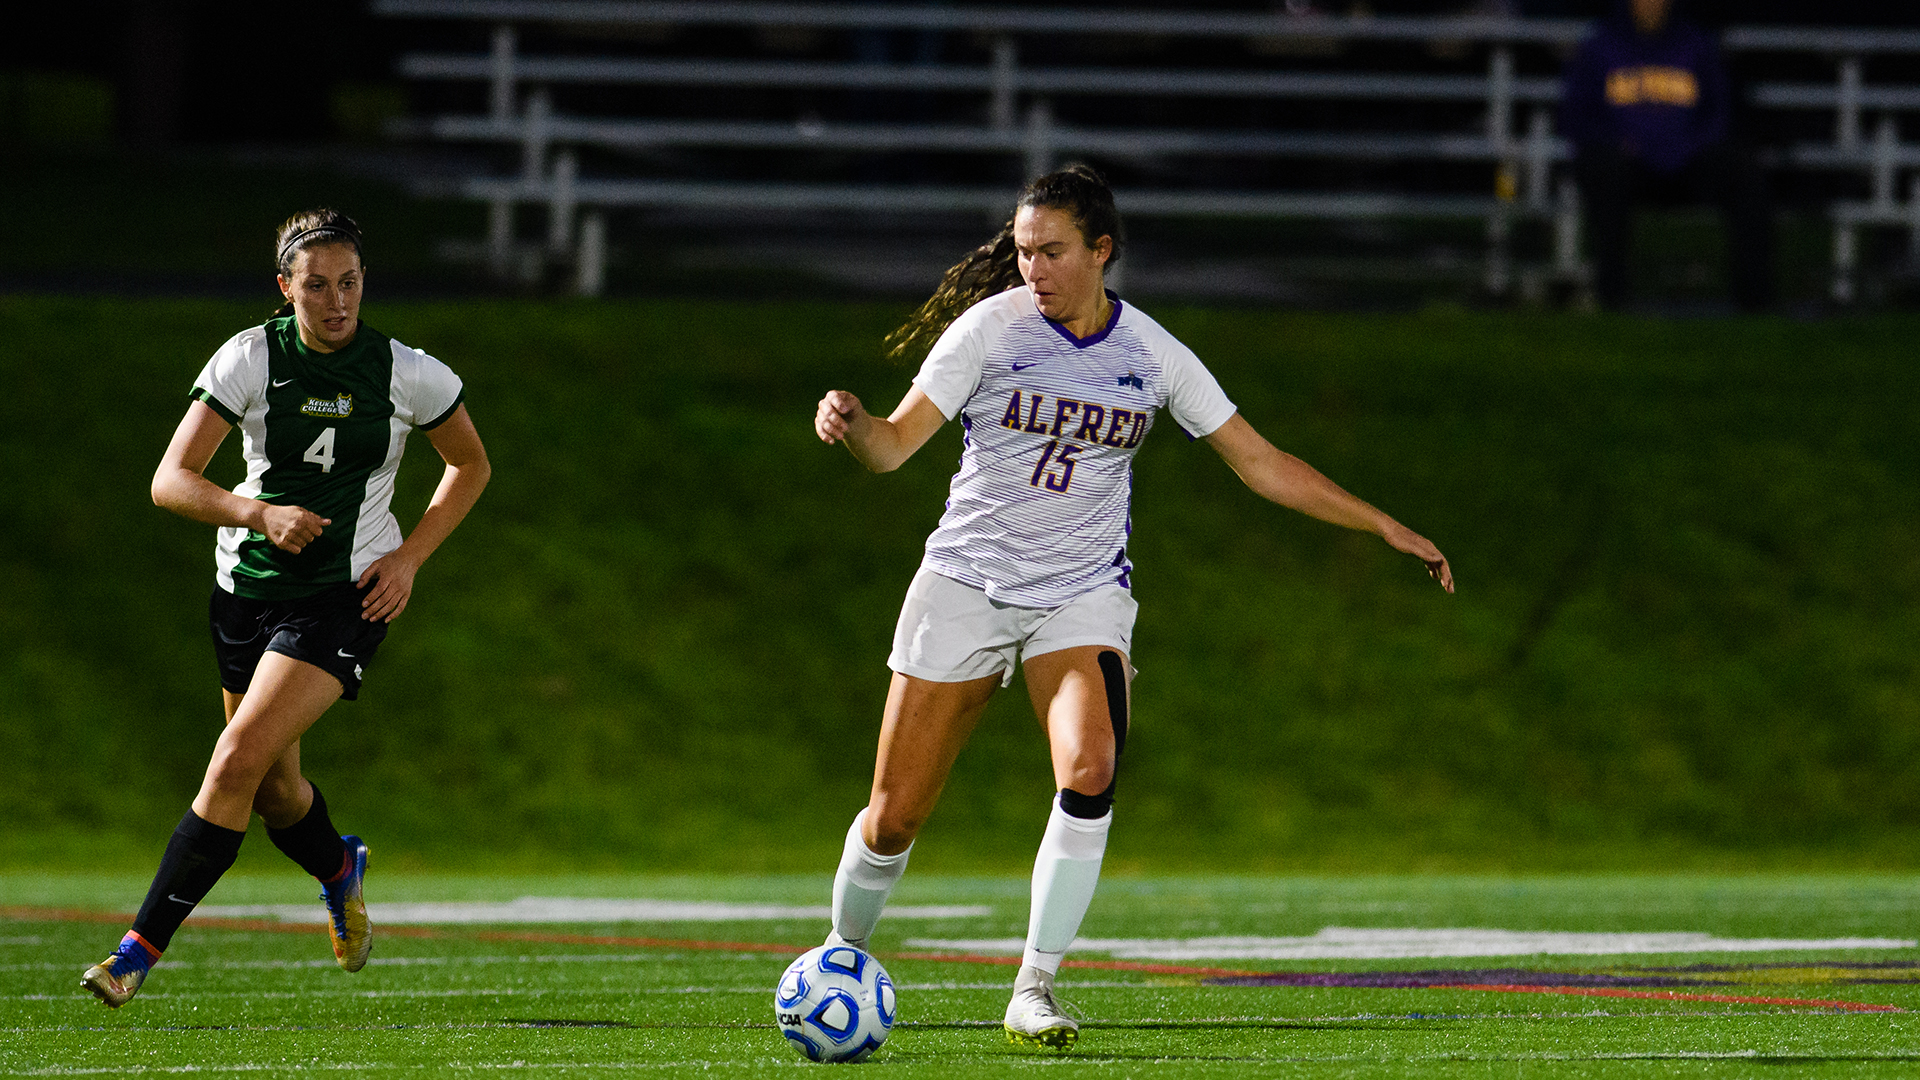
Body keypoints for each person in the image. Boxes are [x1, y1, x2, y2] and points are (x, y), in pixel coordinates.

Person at [810, 164, 1453, 1050]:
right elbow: (893, 450)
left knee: (1091, 767)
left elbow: (1258, 460)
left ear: (1101, 251)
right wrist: (854, 426)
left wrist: (1381, 524)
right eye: (1025, 250)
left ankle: (1033, 988)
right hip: (966, 584)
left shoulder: (1150, 355)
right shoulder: (987, 334)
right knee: (896, 815)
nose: (1031, 268)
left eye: (1052, 251)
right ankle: (841, 954)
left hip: (1080, 595)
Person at [80, 209, 492, 1008]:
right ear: (285, 289)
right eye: (316, 286)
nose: (337, 302)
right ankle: (341, 869)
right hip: (247, 596)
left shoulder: (408, 372)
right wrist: (255, 513)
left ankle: (133, 954)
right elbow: (171, 480)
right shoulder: (249, 358)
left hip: (345, 601)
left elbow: (469, 463)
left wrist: (408, 558)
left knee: (234, 757)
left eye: (350, 283)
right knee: (272, 792)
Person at [1560, 0, 1774, 310]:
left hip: (1689, 161)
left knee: (1744, 172)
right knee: (1603, 172)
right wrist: (1618, 142)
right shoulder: (1600, 46)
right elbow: (1577, 115)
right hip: (1627, 163)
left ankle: (1756, 301)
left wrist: (1689, 145)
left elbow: (1718, 111)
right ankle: (1613, 296)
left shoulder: (1695, 43)